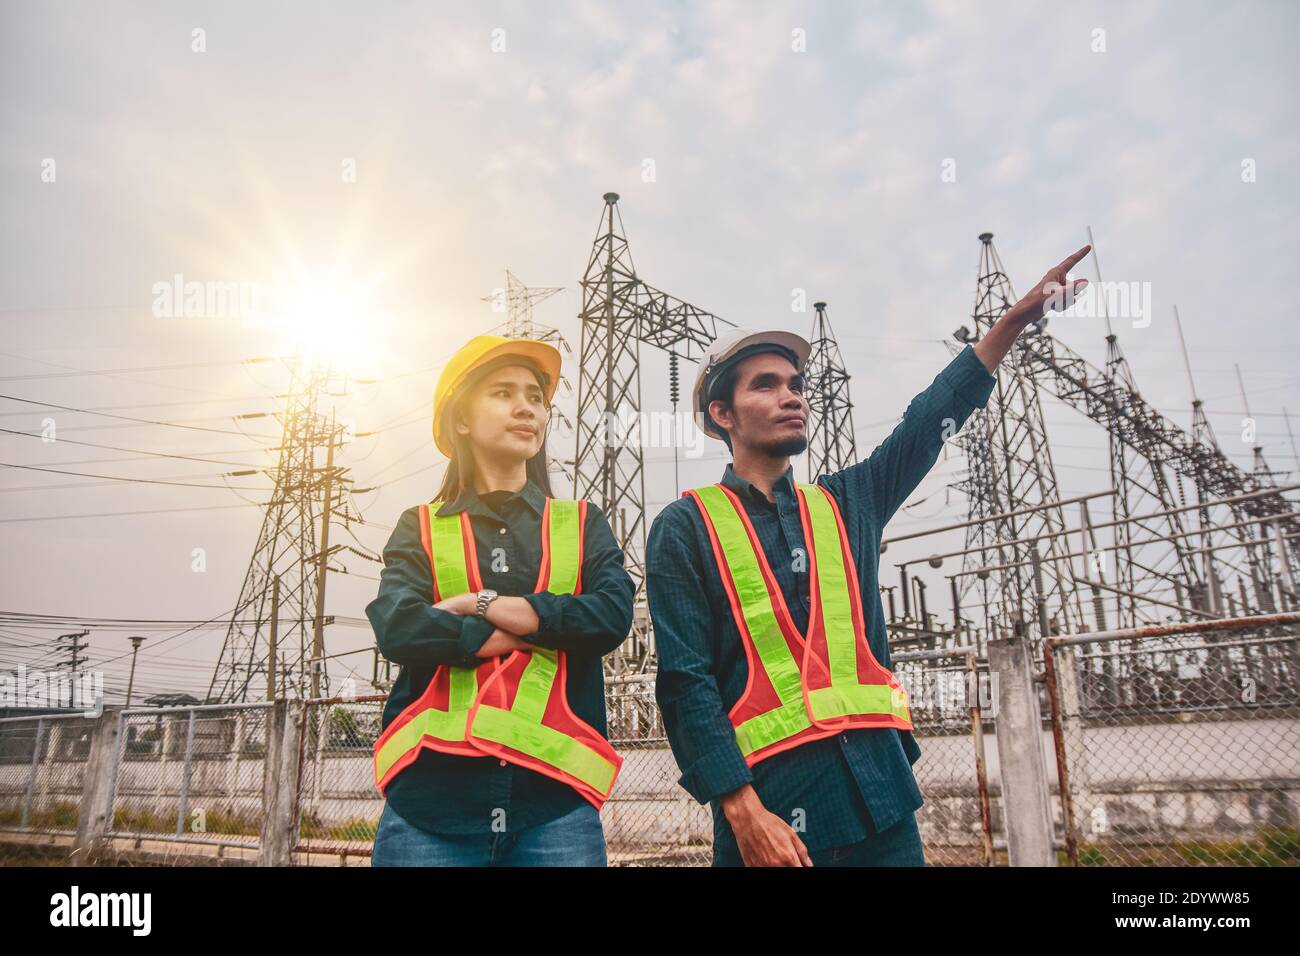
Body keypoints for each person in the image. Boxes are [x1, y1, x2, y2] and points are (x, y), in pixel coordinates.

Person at [646, 246, 1091, 866]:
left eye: (797, 385)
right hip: (772, 821)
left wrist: (1013, 321)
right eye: (766, 385)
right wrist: (743, 812)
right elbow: (685, 681)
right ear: (723, 414)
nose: (791, 396)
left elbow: (930, 418)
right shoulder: (685, 527)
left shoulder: (846, 502)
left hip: (880, 802)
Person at [367, 334, 635, 866]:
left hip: (554, 802)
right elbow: (398, 628)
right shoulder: (418, 526)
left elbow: (610, 617)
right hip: (431, 802)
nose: (526, 408)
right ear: (460, 420)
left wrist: (477, 603)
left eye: (536, 397)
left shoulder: (582, 523)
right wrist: (542, 622)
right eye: (503, 393)